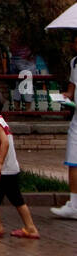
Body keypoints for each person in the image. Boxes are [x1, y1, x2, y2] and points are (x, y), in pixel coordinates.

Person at [0, 88, 39, 238]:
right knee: (17, 199)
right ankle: (30, 228)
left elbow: (4, 143)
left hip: (1, 170)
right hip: (10, 169)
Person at [50, 32, 77, 219]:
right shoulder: (74, 62)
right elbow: (71, 90)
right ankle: (74, 204)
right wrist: (65, 97)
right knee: (73, 160)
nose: (73, 45)